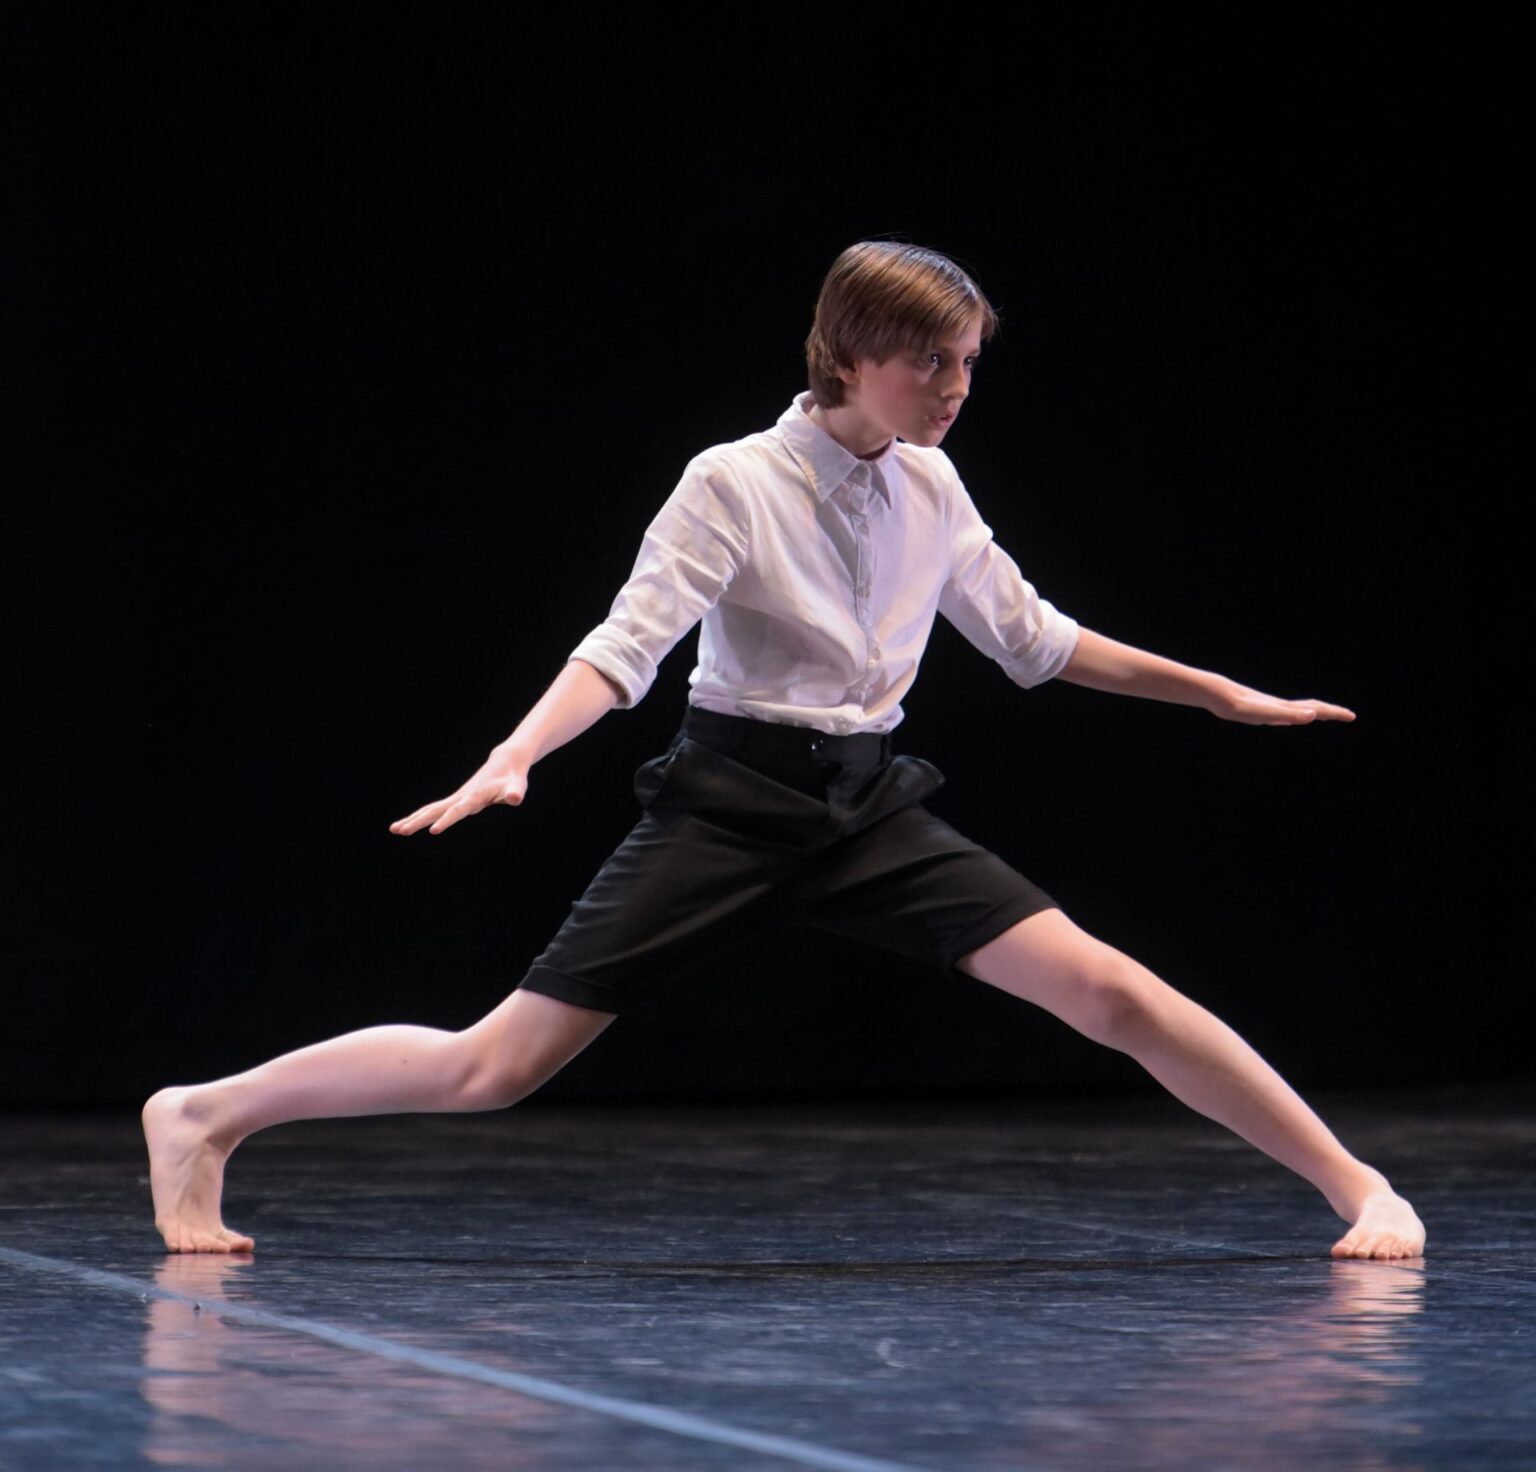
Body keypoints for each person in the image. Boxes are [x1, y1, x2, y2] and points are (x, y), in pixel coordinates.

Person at [144, 241, 1426, 1261]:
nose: (957, 387)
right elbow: (626, 643)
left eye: (970, 362)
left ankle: (1356, 1182)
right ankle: (203, 1111)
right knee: (495, 1066)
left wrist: (1217, 695)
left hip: (867, 805)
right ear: (857, 354)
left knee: (1113, 991)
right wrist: (512, 753)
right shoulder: (733, 479)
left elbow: (1036, 637)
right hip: (731, 799)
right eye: (935, 362)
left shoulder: (933, 484)